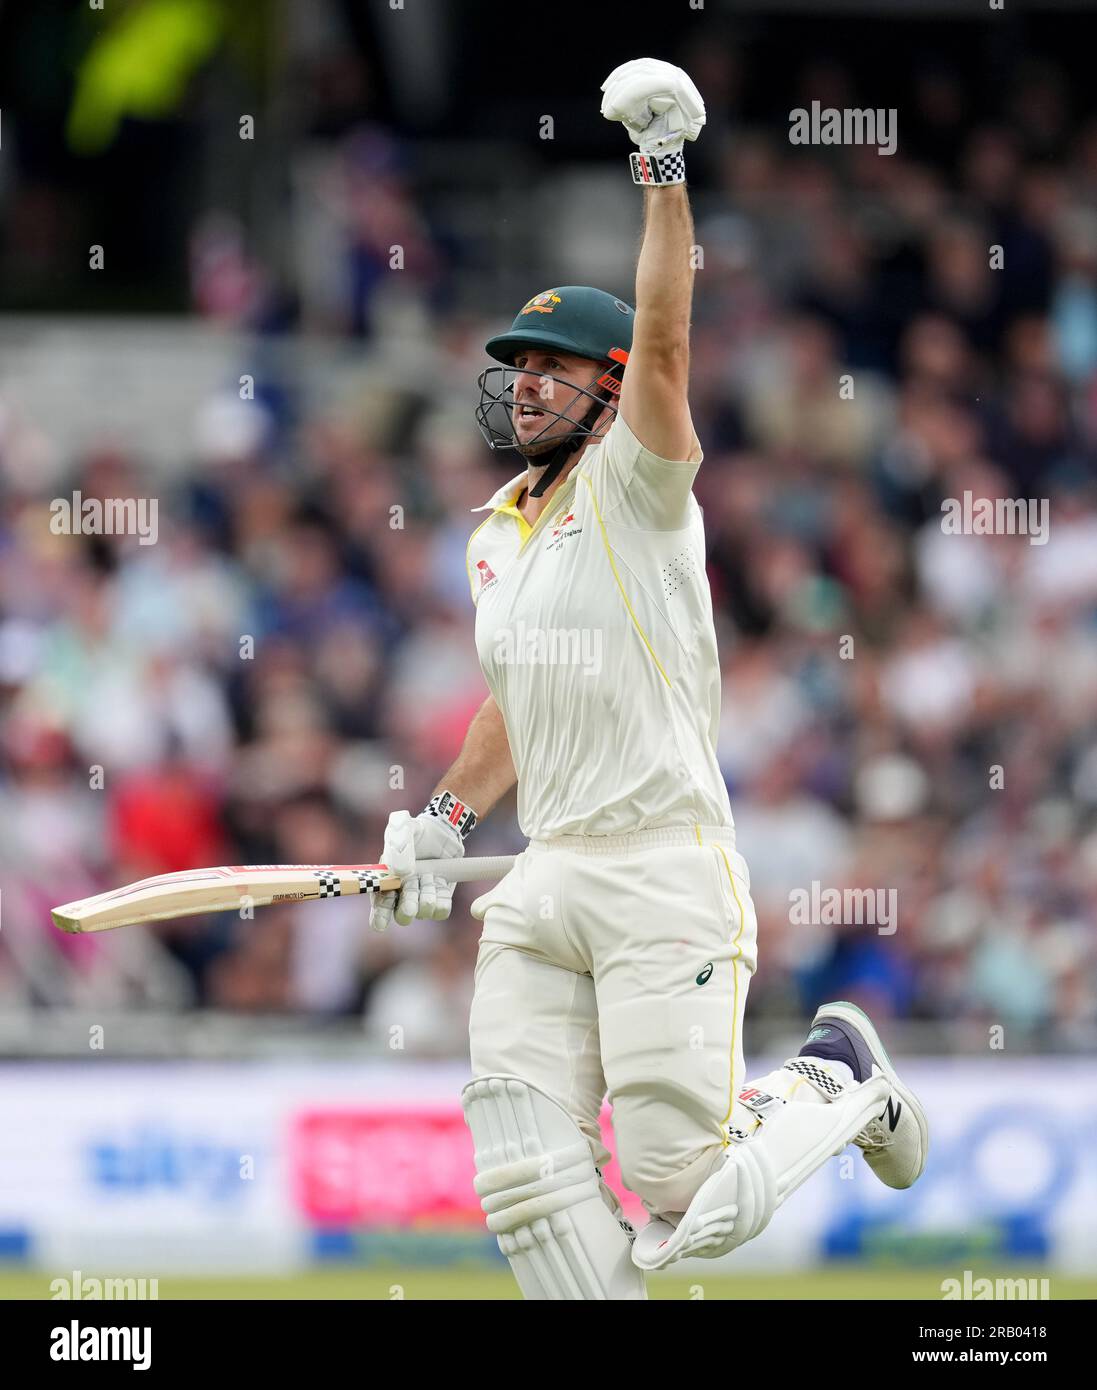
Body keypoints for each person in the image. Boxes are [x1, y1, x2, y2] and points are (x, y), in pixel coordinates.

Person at [370, 57, 927, 1299]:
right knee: (523, 1175)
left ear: (609, 387)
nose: (523, 381)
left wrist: (661, 170)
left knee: (688, 1199)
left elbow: (666, 338)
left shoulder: (638, 479)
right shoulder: (496, 532)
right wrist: (442, 817)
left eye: (551, 365)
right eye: (515, 363)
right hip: (546, 867)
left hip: (661, 862)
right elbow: (518, 701)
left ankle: (836, 1075)